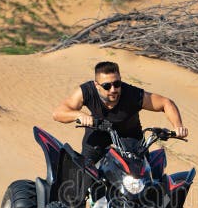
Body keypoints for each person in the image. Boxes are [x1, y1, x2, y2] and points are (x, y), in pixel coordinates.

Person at [52, 61, 189, 164]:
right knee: (83, 172)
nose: (113, 89)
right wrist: (79, 115)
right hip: (97, 134)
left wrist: (178, 126)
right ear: (96, 85)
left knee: (143, 175)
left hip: (130, 137)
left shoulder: (133, 94)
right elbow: (58, 113)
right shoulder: (86, 91)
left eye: (117, 84)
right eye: (107, 86)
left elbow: (166, 103)